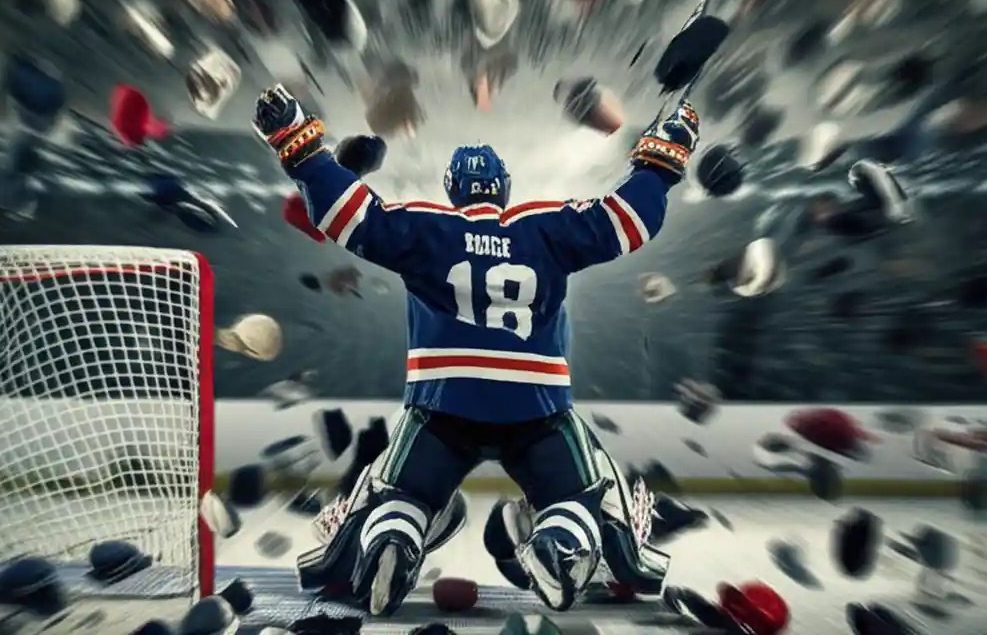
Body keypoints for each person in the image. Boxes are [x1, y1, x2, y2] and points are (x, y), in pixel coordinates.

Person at [252, 84, 700, 615]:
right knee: (576, 497)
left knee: (400, 495)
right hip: (537, 408)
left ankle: (391, 540)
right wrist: (663, 158)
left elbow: (348, 213)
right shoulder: (548, 228)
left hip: (441, 406)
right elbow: (629, 219)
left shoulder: (424, 227)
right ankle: (562, 545)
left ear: (452, 189)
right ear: (504, 189)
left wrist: (298, 143)